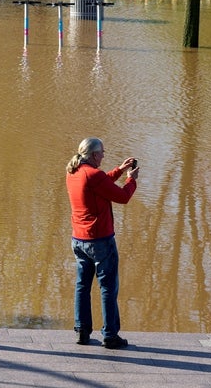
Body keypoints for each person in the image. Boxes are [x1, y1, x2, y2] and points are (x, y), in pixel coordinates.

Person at [65, 137, 139, 349]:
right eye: (102, 153)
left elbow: (101, 184)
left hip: (79, 239)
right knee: (108, 287)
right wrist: (131, 180)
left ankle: (82, 331)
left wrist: (119, 170)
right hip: (100, 241)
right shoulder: (94, 175)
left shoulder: (73, 172)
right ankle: (110, 335)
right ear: (94, 154)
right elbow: (122, 197)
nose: (104, 156)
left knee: (82, 285)